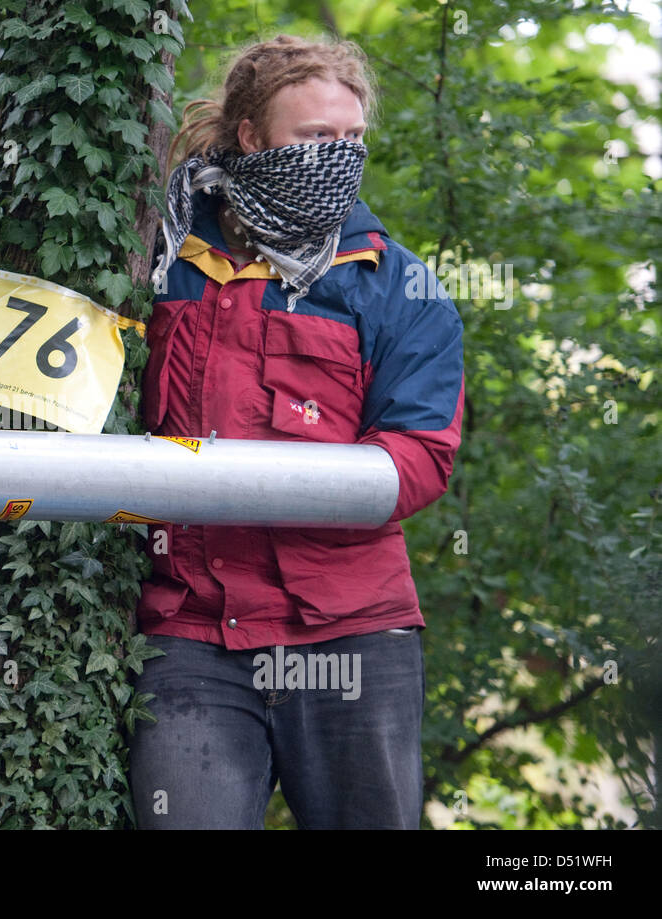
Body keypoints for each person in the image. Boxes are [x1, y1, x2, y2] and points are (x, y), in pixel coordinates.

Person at [128, 35, 464, 829]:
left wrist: (289, 483)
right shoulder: (163, 258)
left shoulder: (398, 285)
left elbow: (420, 455)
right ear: (252, 138)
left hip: (349, 630)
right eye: (315, 139)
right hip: (190, 629)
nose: (337, 157)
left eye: (351, 140)